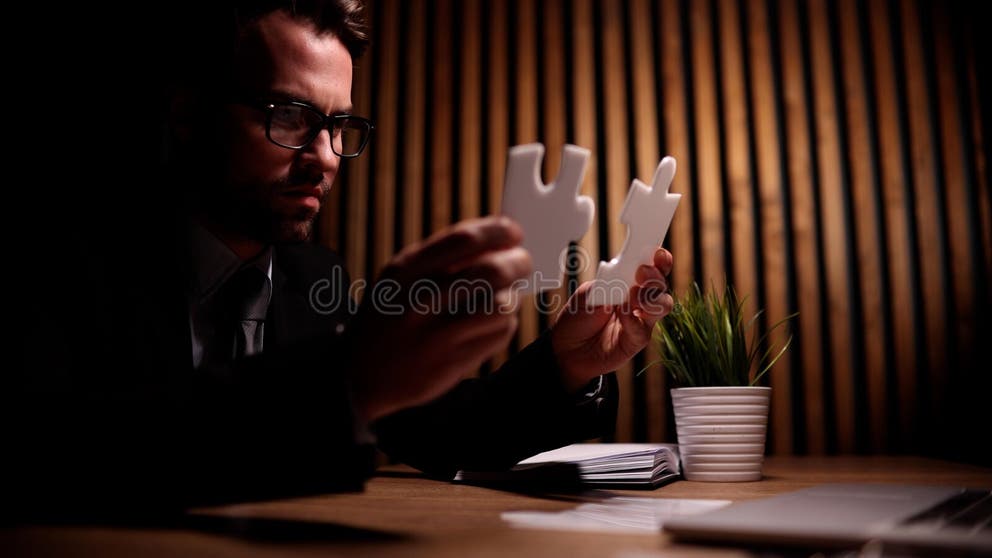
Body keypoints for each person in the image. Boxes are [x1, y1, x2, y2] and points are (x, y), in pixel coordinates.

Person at [10, 0, 674, 519]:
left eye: (338, 126)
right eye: (289, 117)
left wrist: (568, 363)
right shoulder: (65, 266)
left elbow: (441, 431)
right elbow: (67, 450)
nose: (325, 157)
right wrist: (345, 382)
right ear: (187, 114)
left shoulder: (313, 277)